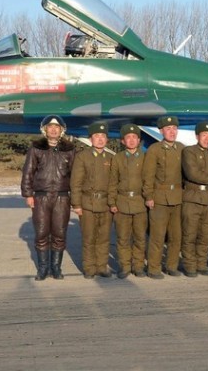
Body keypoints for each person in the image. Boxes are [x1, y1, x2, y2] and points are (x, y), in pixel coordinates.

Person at [21, 115, 77, 281]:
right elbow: (28, 172)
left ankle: (56, 268)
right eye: (50, 127)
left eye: (57, 127)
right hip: (41, 196)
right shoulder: (36, 148)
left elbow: (75, 176)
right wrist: (28, 194)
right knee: (42, 232)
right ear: (44, 130)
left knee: (59, 233)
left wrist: (75, 198)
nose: (53, 129)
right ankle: (43, 269)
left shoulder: (70, 149)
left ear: (62, 130)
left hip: (62, 197)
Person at [142, 115, 185, 279]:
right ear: (161, 131)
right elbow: (148, 175)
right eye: (168, 129)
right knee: (157, 236)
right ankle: (153, 268)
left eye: (174, 129)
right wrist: (149, 196)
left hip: (177, 198)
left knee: (176, 236)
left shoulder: (182, 148)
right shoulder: (154, 150)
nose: (172, 132)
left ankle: (172, 266)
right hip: (159, 198)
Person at [70, 121, 114, 279]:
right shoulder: (82, 157)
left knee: (104, 237)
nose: (100, 139)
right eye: (97, 136)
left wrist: (113, 203)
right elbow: (76, 182)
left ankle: (102, 266)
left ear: (107, 139)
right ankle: (89, 267)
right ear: (91, 139)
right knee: (89, 237)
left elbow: (114, 182)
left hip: (106, 204)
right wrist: (76, 204)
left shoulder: (111, 158)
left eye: (103, 136)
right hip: (87, 203)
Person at [108, 123, 148, 279]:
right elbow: (112, 182)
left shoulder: (145, 158)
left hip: (140, 202)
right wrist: (112, 202)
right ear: (123, 141)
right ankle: (124, 266)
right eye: (128, 137)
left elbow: (149, 180)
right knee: (123, 238)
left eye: (134, 137)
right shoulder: (117, 158)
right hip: (122, 202)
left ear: (139, 140)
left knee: (139, 237)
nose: (131, 140)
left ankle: (138, 266)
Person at [181, 121, 208, 277]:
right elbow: (192, 173)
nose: (207, 138)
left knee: (205, 234)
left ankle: (202, 263)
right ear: (197, 135)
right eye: (204, 135)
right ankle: (190, 265)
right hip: (192, 198)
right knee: (190, 234)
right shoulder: (189, 152)